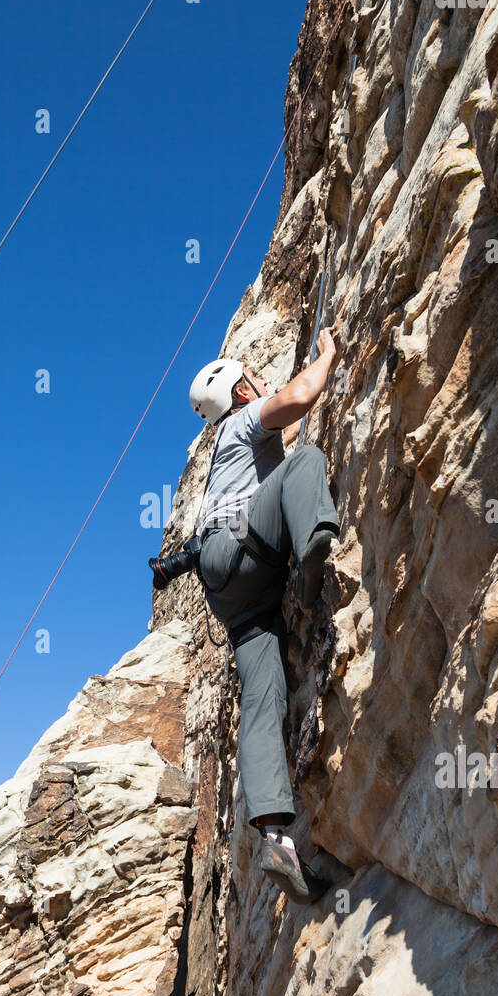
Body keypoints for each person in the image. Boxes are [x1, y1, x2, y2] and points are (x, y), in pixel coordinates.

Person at [188, 328, 340, 905]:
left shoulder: (230, 449)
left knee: (263, 691)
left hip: (226, 586)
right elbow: (298, 401)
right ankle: (311, 558)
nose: (260, 384)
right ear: (242, 392)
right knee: (306, 464)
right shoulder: (242, 423)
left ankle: (276, 835)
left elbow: (285, 427)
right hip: (245, 547)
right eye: (252, 380)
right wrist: (326, 356)